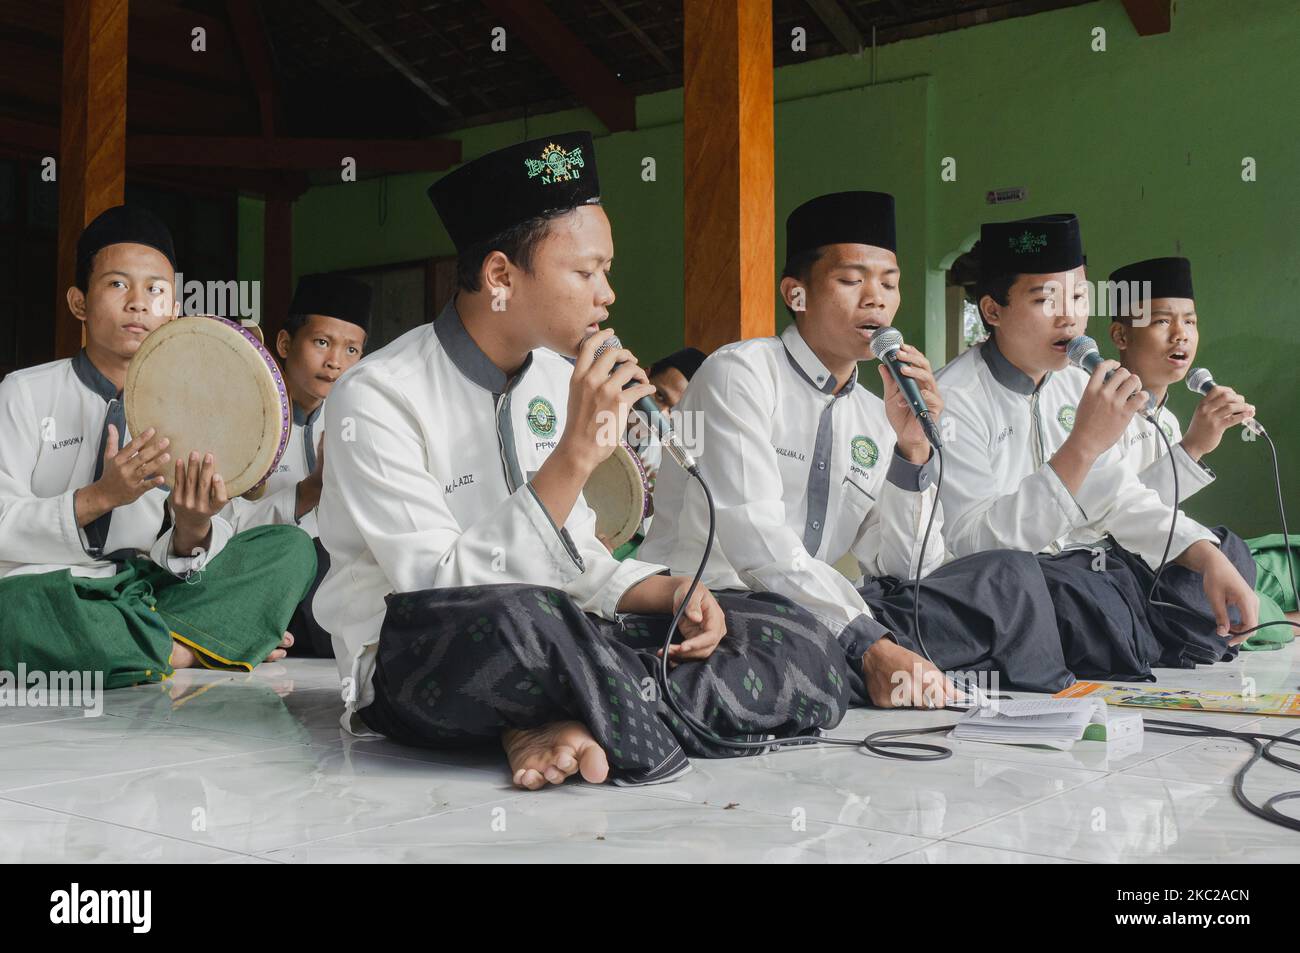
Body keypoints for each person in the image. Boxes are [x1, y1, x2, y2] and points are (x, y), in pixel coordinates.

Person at [314, 133, 857, 790]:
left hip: (563, 638)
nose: (608, 294)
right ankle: (590, 703)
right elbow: (439, 593)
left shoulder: (551, 378)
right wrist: (573, 456)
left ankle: (563, 714)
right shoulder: (377, 395)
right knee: (523, 623)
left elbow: (575, 560)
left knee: (786, 626)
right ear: (500, 277)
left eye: (607, 270)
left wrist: (658, 589)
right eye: (586, 271)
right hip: (428, 659)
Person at [641, 191, 1073, 706]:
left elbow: (910, 568)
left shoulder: (876, 413)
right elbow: (754, 541)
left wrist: (911, 454)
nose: (877, 300)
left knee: (1008, 576)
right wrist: (867, 643)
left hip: (822, 611)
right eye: (851, 281)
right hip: (719, 603)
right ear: (795, 294)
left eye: (890, 284)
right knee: (796, 648)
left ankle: (899, 677)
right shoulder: (741, 374)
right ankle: (865, 667)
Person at [0, 205, 315, 688]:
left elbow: (190, 554)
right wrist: (100, 498)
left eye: (156, 289)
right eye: (117, 284)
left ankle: (141, 645)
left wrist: (193, 525)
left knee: (291, 549)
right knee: (14, 610)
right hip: (54, 589)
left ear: (173, 308)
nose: (138, 303)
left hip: (151, 591)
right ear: (79, 302)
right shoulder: (23, 391)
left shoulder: (200, 406)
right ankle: (189, 648)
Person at [935, 214, 1258, 679]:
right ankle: (1141, 634)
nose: (1070, 316)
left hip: (1087, 573)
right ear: (993, 311)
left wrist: (1203, 554)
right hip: (1013, 589)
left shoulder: (1074, 384)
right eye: (1046, 299)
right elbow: (976, 545)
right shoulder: (954, 399)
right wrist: (1081, 447)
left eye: (1080, 297)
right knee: (1057, 592)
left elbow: (1119, 497)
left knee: (1218, 552)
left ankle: (1136, 632)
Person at [1108, 255, 1294, 645]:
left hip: (1171, 559)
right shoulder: (1097, 410)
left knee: (1265, 552)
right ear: (1121, 337)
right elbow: (1111, 523)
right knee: (1208, 579)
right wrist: (1192, 447)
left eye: (1190, 321)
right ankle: (1281, 619)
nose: (1181, 335)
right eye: (1162, 321)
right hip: (1119, 573)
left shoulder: (1166, 418)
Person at [222, 272, 371, 656]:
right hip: (256, 576)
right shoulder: (239, 423)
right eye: (322, 342)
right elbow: (217, 532)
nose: (335, 362)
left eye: (352, 350)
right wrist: (311, 490)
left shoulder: (357, 424)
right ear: (285, 344)